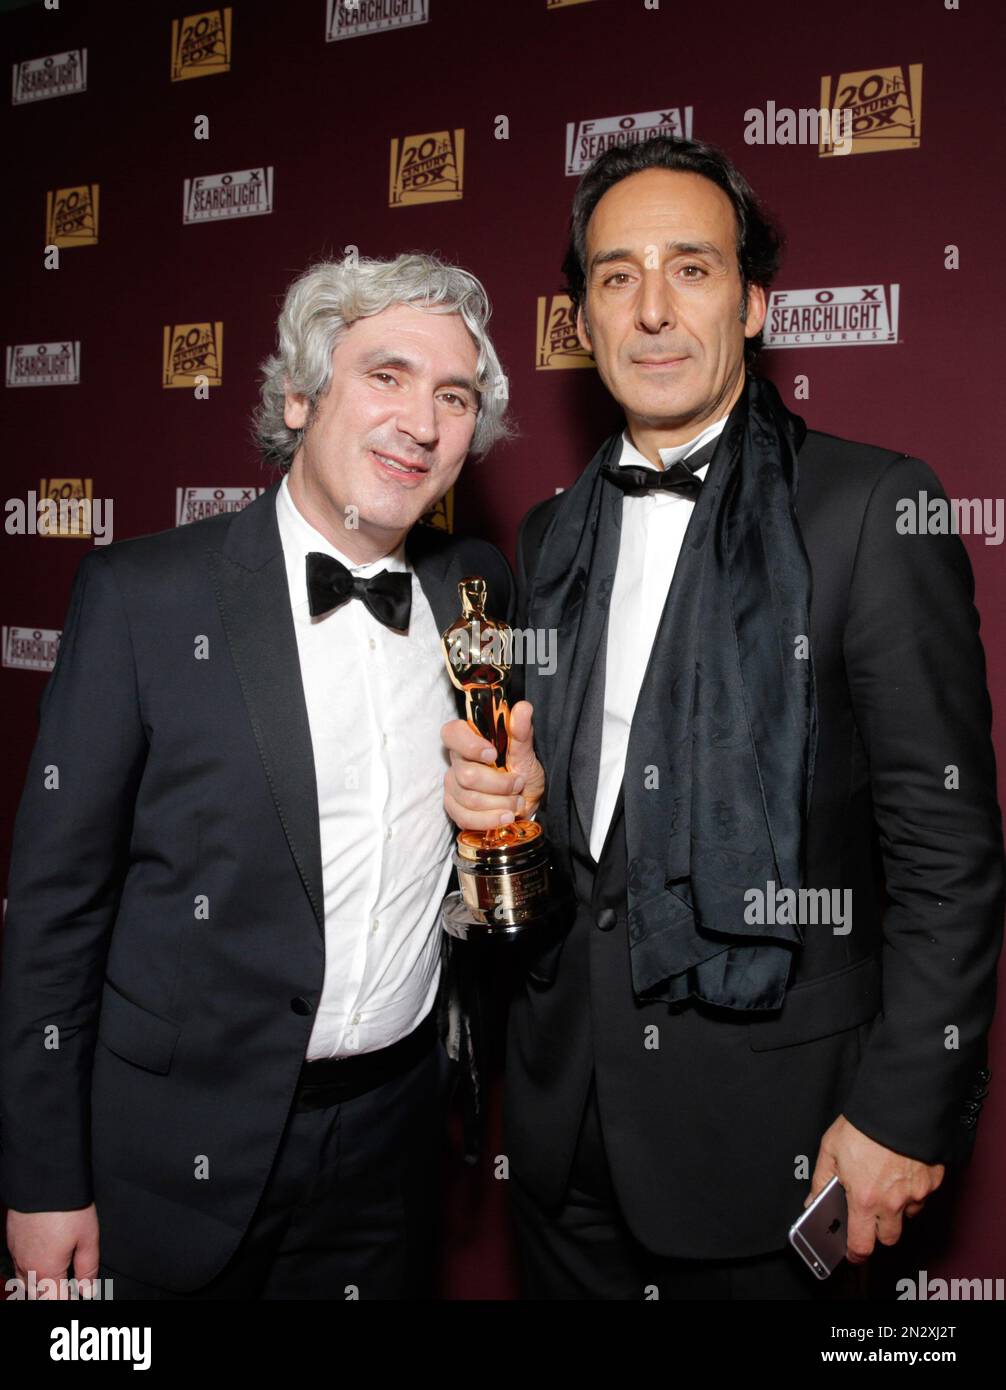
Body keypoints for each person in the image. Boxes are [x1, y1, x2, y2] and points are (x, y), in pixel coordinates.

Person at [442, 137, 1005, 1300]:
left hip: (779, 1147)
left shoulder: (867, 508)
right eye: (614, 277)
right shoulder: (548, 535)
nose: (651, 310)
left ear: (752, 303)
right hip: (559, 1135)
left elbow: (945, 851)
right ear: (581, 323)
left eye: (689, 269)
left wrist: (906, 1110)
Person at [0, 252, 514, 1299]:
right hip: (165, 1159)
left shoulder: (479, 589)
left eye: (452, 395)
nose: (420, 421)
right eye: (386, 374)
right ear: (298, 393)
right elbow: (54, 911)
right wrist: (44, 1180)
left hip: (391, 1148)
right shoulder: (144, 600)